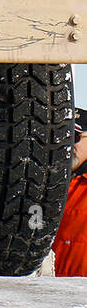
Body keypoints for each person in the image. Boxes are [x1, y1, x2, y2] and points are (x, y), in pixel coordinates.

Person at [52, 117, 87, 276]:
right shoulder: (41, 186)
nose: (68, 144)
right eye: (64, 136)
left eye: (75, 137)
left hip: (78, 294)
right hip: (40, 292)